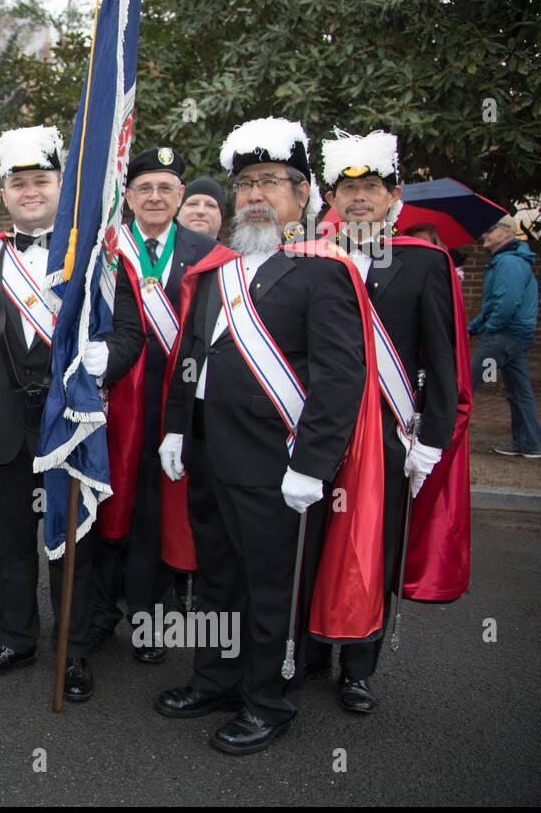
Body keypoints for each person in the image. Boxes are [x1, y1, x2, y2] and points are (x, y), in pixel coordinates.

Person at [155, 117, 370, 754]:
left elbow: (340, 379)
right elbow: (190, 359)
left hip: (279, 468)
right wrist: (174, 430)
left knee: (272, 588)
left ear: (302, 196)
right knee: (218, 580)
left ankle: (269, 700)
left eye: (271, 182)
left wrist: (311, 464)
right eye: (245, 182)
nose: (254, 195)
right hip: (212, 458)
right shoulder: (220, 271)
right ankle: (216, 678)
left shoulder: (321, 272)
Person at [0, 126, 143, 701]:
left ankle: (73, 651)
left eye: (42, 180)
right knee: (9, 542)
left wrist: (112, 357)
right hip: (2, 426)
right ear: (5, 193)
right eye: (19, 182)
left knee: (71, 541)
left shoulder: (98, 254)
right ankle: (17, 636)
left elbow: (130, 330)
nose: (30, 191)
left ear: (62, 185)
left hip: (68, 424)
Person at [303, 128, 461, 711]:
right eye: (348, 190)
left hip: (392, 434)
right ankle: (312, 650)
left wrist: (433, 441)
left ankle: (358, 667)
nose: (359, 199)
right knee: (317, 539)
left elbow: (441, 361)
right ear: (332, 201)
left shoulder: (424, 263)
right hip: (320, 429)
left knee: (373, 546)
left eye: (372, 187)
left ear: (394, 197)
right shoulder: (314, 260)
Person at [90, 147, 222, 662]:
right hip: (114, 405)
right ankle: (99, 616)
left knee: (158, 518)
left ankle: (150, 622)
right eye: (144, 188)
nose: (155, 196)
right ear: (127, 196)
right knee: (104, 513)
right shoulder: (106, 248)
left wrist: (182, 420)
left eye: (166, 188)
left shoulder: (210, 255)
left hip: (178, 410)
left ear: (180, 196)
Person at [469, 216, 539, 458]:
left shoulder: (508, 263)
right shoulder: (512, 261)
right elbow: (494, 305)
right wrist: (475, 327)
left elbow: (505, 304)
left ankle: (442, 437)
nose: (484, 235)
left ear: (508, 233)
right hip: (515, 337)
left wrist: (489, 328)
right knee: (519, 391)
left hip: (501, 337)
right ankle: (529, 443)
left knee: (466, 384)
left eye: (490, 229)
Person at [176, 176, 226, 241]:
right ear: (178, 215)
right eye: (192, 204)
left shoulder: (231, 252)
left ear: (221, 218)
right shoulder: (160, 250)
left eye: (210, 205)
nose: (200, 211)